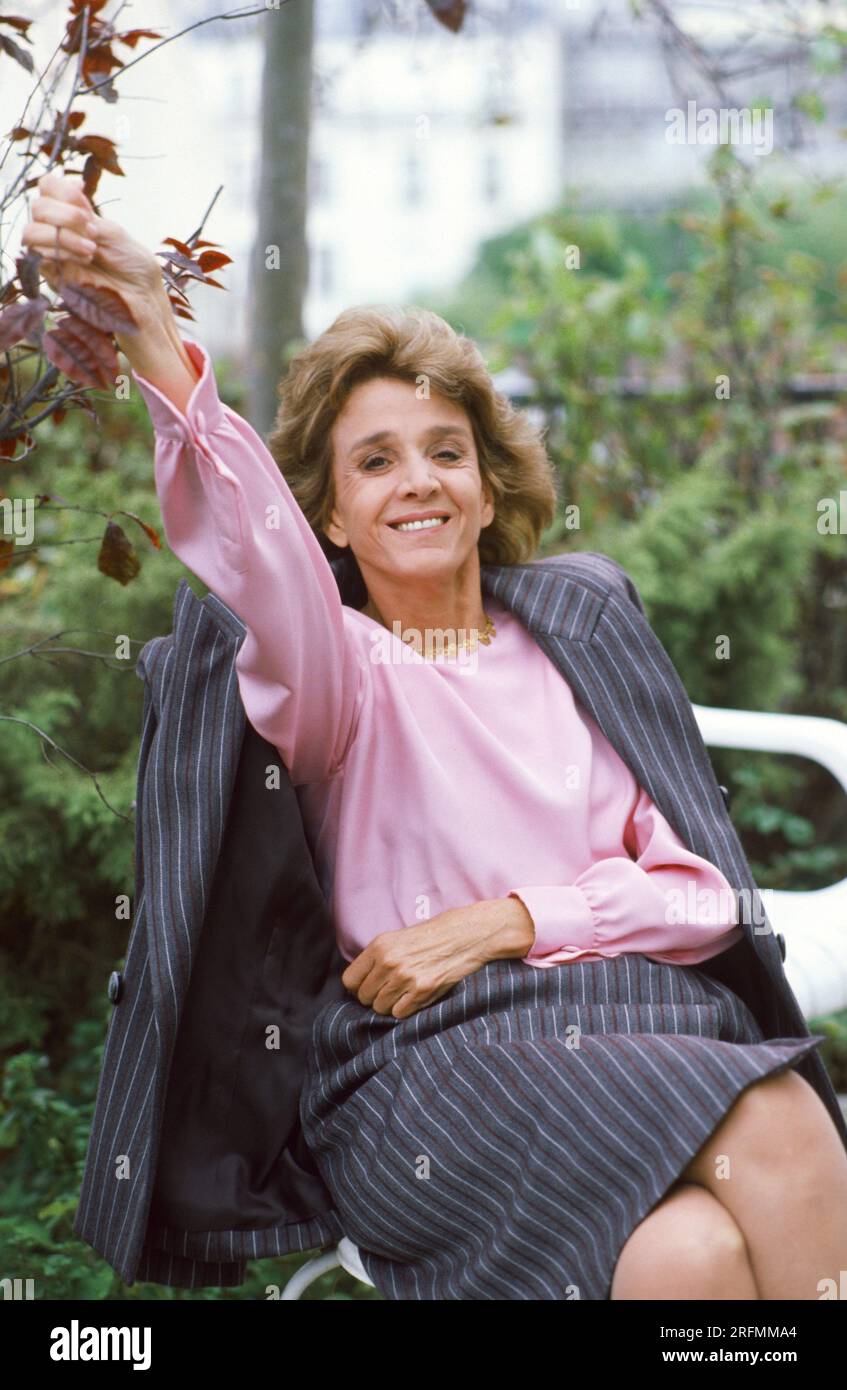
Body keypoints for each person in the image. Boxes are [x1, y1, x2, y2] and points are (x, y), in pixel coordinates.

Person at [22, 172, 847, 1301]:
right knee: (780, 1114)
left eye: (445, 452)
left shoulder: (579, 636)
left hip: (639, 1020)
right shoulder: (334, 671)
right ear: (327, 514)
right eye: (375, 461)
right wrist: (156, 338)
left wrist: (508, 921)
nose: (418, 482)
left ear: (488, 486)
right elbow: (254, 554)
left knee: (686, 1259)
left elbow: (702, 897)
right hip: (431, 1070)